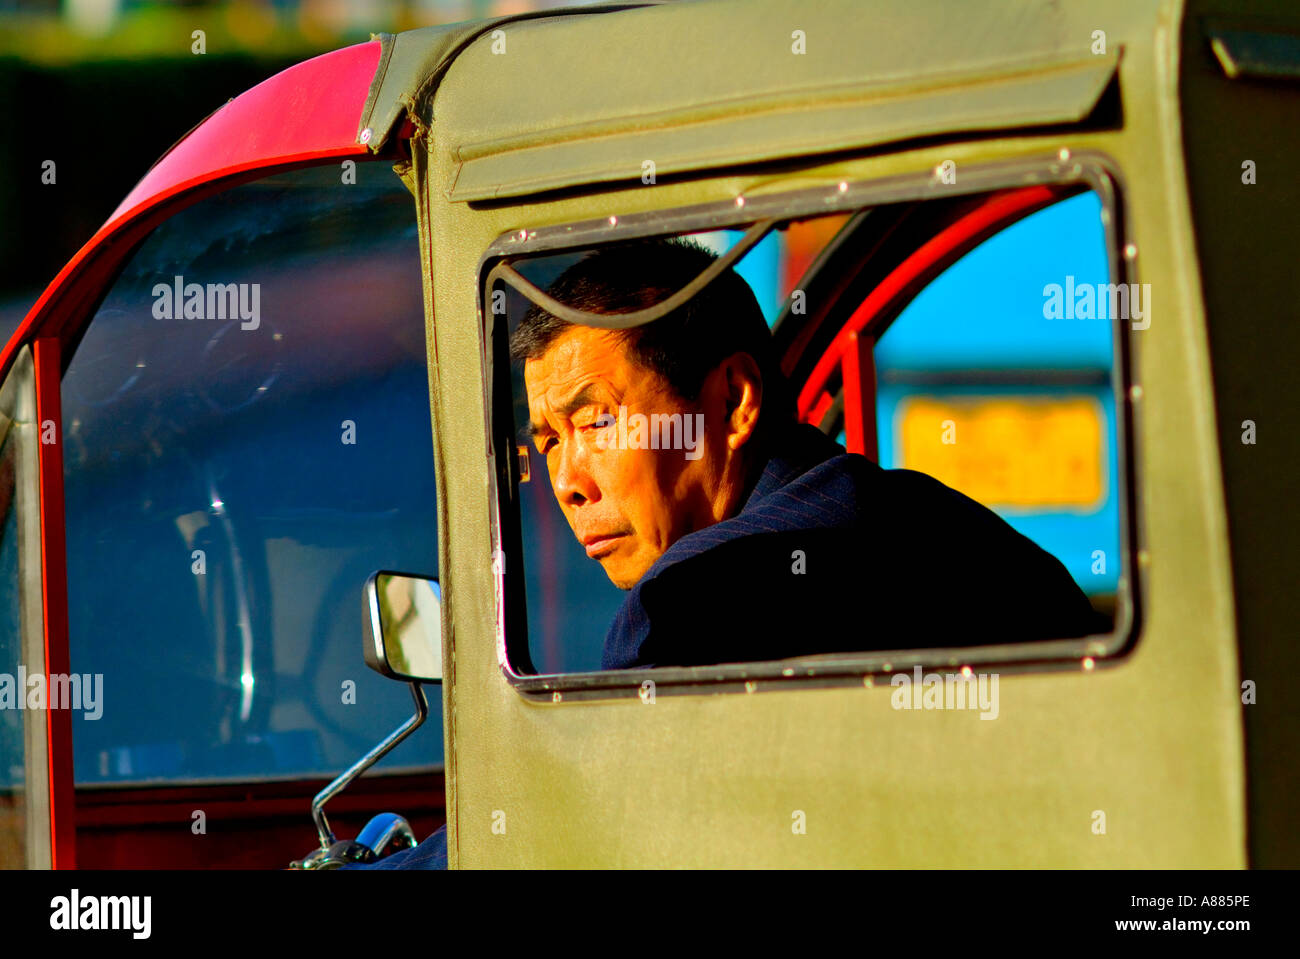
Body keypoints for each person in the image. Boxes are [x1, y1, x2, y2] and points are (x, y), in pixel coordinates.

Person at [514, 238, 1107, 669]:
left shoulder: (694, 601)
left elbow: (587, 825)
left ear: (732, 403)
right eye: (548, 441)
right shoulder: (938, 523)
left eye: (596, 423)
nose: (567, 481)